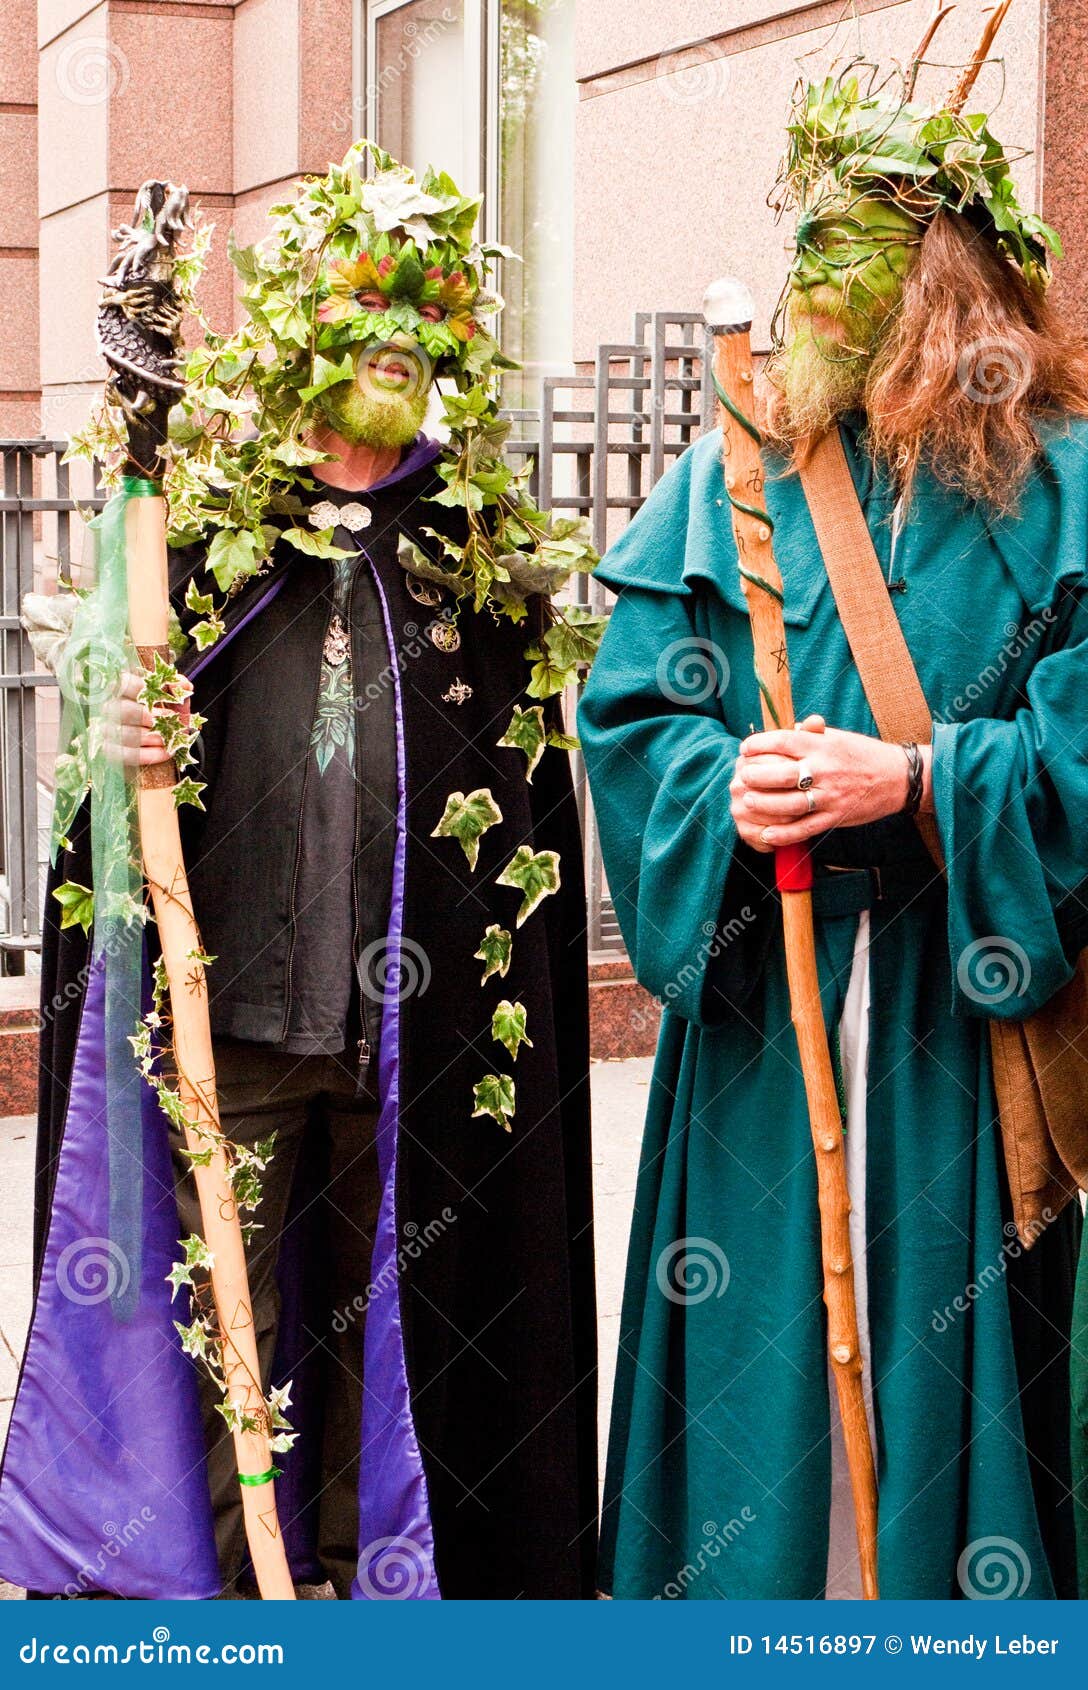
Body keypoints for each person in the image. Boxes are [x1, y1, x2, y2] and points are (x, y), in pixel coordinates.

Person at [0, 145, 597, 1601]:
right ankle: (220, 1585)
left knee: (387, 1317)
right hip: (241, 1018)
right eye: (359, 312)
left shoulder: (477, 560)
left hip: (416, 1030)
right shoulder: (209, 539)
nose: (389, 345)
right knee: (225, 1313)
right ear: (304, 338)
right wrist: (117, 717)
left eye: (417, 320)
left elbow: (528, 815)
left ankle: (351, 1583)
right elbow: (108, 727)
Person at [580, 45, 1088, 1600]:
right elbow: (631, 710)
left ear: (941, 279)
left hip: (957, 1005)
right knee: (766, 1387)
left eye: (847, 248)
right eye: (798, 243)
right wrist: (715, 790)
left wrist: (925, 784)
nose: (806, 282)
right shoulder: (728, 472)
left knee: (954, 1390)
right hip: (765, 1005)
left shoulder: (1054, 478)